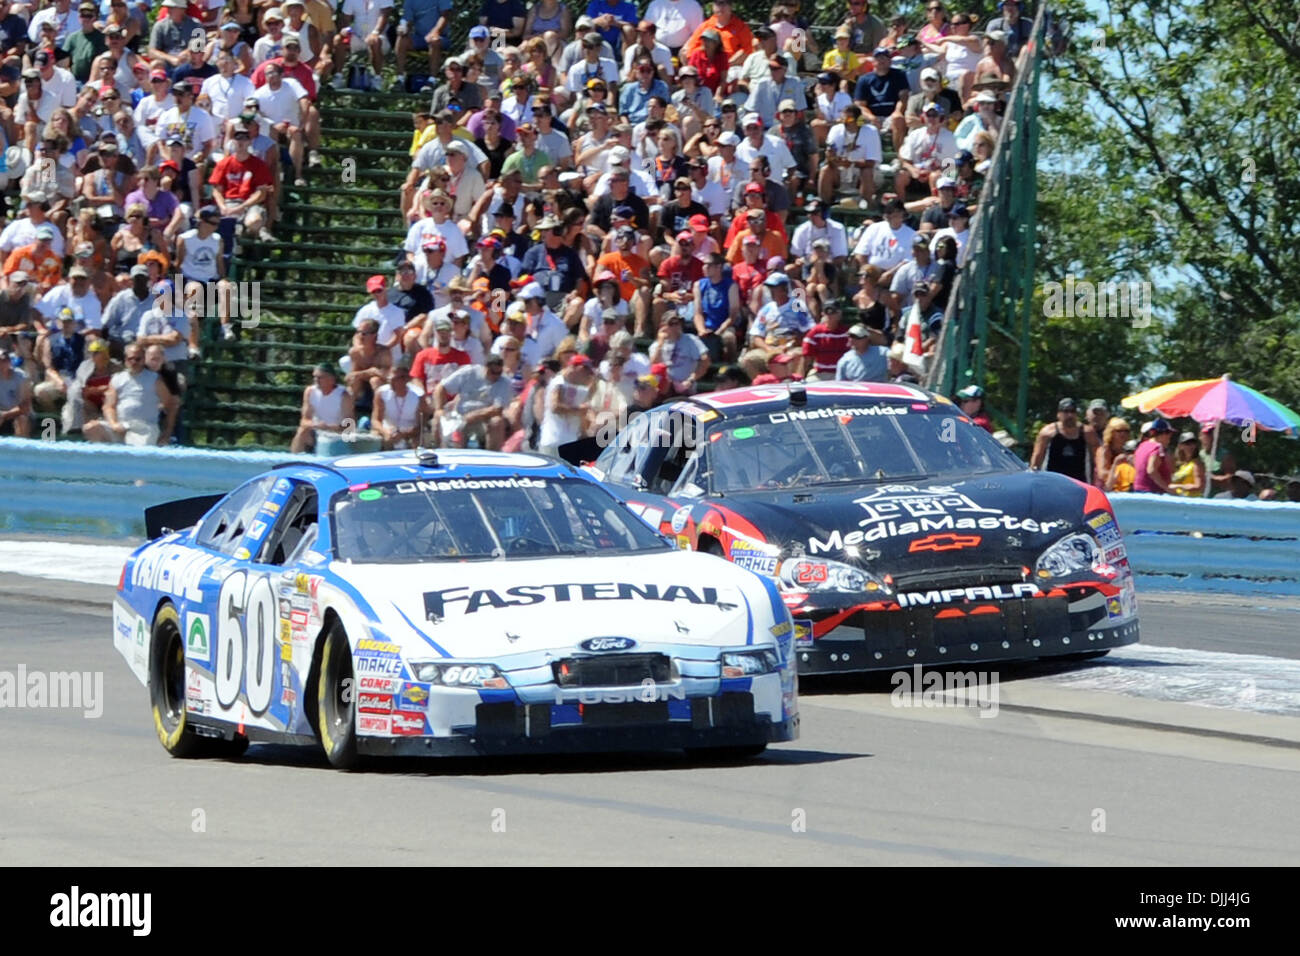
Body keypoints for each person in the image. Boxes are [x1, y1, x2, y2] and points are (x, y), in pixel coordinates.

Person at [82, 342, 179, 445]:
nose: (134, 362)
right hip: (120, 426)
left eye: (138, 359)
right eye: (130, 359)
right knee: (91, 428)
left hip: (143, 428)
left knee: (137, 453)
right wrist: (113, 424)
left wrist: (166, 434)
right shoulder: (117, 379)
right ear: (125, 360)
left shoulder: (155, 379)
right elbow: (108, 406)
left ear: (144, 360)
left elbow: (171, 406)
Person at [434, 352, 512, 449]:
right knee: (441, 419)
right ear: (485, 367)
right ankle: (444, 453)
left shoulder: (504, 382)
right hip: (460, 416)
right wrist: (439, 408)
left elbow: (497, 409)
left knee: (497, 421)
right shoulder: (469, 372)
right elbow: (441, 388)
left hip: (485, 419)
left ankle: (493, 457)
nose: (496, 376)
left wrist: (474, 415)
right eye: (493, 372)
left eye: (498, 373)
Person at [289, 362, 355, 453]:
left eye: (320, 377)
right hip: (317, 431)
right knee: (302, 431)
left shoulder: (344, 395)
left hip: (337, 433)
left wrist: (329, 427)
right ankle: (294, 459)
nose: (316, 380)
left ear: (331, 379)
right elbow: (304, 420)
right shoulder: (310, 392)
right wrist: (315, 425)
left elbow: (349, 424)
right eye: (314, 377)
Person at [1031, 398, 1101, 482]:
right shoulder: (1047, 432)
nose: (1069, 415)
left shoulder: (1088, 433)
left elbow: (1098, 460)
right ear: (1058, 414)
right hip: (1052, 482)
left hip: (1080, 483)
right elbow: (1036, 460)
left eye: (1072, 411)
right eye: (1066, 411)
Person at [1130, 417, 1174, 494]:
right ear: (1161, 433)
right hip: (1152, 492)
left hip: (1138, 490)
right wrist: (1168, 489)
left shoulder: (1141, 446)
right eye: (1168, 433)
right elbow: (1151, 470)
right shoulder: (1157, 447)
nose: (1170, 436)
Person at [0, 347, 33, 436]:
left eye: (5, 360)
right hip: (2, 414)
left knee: (21, 420)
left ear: (9, 362)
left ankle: (22, 447)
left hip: (19, 414)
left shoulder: (21, 377)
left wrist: (5, 415)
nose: (2, 364)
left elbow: (25, 406)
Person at [1095, 416, 1133, 491]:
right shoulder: (1104, 450)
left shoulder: (1126, 451)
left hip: (1121, 490)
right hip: (1104, 490)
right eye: (1119, 431)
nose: (1123, 434)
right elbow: (1102, 474)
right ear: (1111, 432)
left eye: (1126, 431)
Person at [1170, 431, 1207, 496]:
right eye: (1187, 443)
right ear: (1180, 446)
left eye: (1193, 443)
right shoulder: (1180, 464)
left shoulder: (1197, 464)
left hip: (1192, 501)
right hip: (1180, 499)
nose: (1191, 446)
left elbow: (1199, 486)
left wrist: (1178, 486)